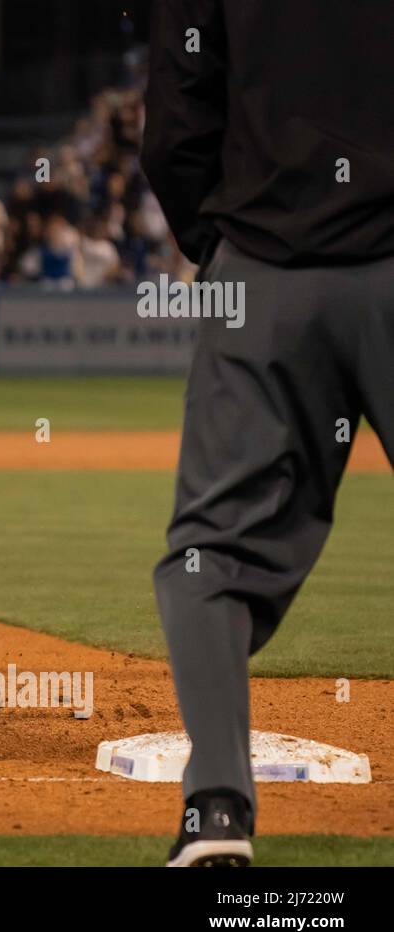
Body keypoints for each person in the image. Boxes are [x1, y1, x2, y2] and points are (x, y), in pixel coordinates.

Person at [144, 1, 394, 866]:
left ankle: (217, 817)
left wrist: (227, 247)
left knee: (208, 557)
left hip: (266, 274)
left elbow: (175, 125)